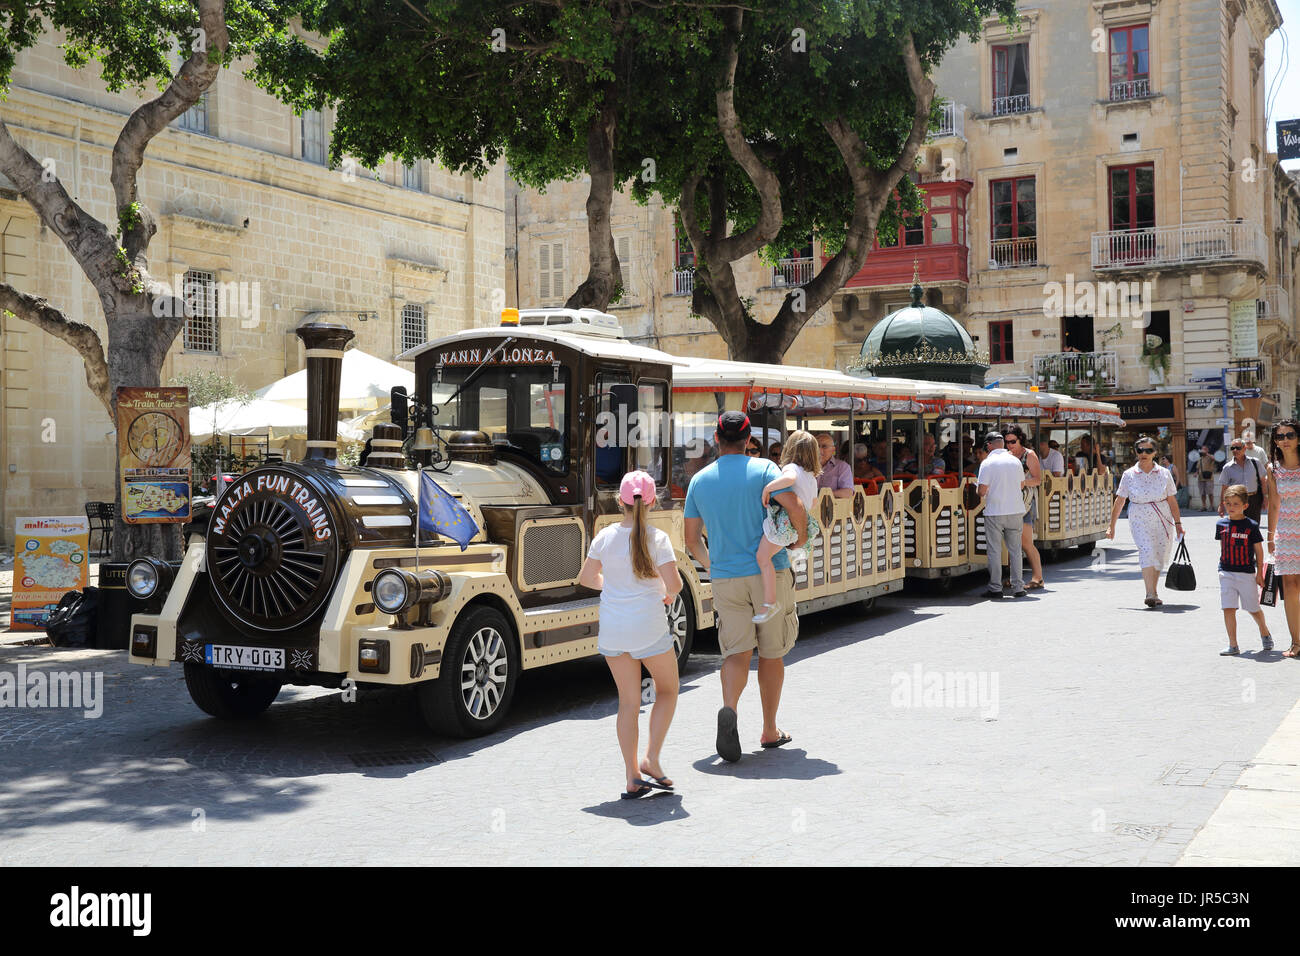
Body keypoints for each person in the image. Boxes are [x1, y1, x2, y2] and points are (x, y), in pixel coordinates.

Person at [684, 411, 807, 761]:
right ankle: (769, 729)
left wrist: (714, 566)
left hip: (726, 577)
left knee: (736, 654)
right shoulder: (766, 470)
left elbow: (691, 539)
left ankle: (729, 708)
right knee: (771, 652)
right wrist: (799, 538)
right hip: (770, 573)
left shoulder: (699, 481)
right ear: (749, 439)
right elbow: (795, 505)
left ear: (716, 440)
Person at [578, 471, 683, 799]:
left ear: (620, 501)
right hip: (648, 628)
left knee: (628, 702)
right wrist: (665, 593)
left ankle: (632, 777)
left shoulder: (605, 537)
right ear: (652, 501)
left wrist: (610, 585)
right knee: (667, 690)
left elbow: (586, 577)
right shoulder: (658, 538)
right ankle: (651, 758)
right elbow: (676, 585)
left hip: (613, 629)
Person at [1108, 436, 1182, 607]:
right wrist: (1111, 526)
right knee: (1147, 550)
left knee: (1160, 554)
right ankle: (1149, 592)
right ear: (1136, 452)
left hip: (1162, 517)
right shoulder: (1128, 475)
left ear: (1155, 453)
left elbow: (1172, 501)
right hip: (1139, 516)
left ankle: (1154, 591)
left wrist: (1178, 524)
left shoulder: (1164, 473)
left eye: (1148, 450)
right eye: (1140, 450)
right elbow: (1119, 501)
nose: (1144, 453)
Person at [755, 430, 821, 623]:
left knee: (762, 557)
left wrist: (769, 487)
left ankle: (770, 600)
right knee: (774, 558)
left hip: (786, 523)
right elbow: (814, 502)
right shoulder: (811, 476)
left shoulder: (791, 467)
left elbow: (789, 479)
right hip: (802, 523)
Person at [1216, 484, 1272, 656]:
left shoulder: (1251, 525)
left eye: (1235, 504)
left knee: (1253, 608)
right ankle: (1233, 645)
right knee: (1228, 608)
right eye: (1228, 503)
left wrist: (1260, 574)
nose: (1231, 507)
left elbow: (1259, 550)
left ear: (1245, 506)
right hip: (1226, 572)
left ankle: (1264, 631)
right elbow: (1223, 546)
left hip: (1247, 573)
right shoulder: (1221, 524)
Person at [977, 431, 1026, 599]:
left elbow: (982, 490)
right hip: (1015, 510)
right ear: (1002, 444)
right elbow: (1021, 485)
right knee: (1015, 551)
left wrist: (979, 490)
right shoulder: (1015, 461)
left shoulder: (987, 463)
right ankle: (1018, 587)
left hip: (995, 511)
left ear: (989, 445)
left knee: (994, 551)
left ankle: (996, 588)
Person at [1266, 419, 1300, 658]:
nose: (1285, 440)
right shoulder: (1273, 468)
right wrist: (1270, 535)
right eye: (1280, 437)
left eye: (1289, 435)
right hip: (1286, 532)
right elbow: (1274, 504)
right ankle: (1296, 642)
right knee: (1289, 587)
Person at [1005, 425, 1045, 589]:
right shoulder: (1006, 455)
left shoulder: (1029, 455)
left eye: (1012, 441)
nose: (1010, 445)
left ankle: (1038, 577)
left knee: (1026, 542)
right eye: (1007, 442)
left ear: (1020, 438)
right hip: (1008, 502)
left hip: (1026, 503)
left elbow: (1038, 480)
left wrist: (1022, 482)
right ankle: (1015, 578)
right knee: (1009, 543)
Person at [1218, 437, 1264, 523]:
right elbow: (1224, 488)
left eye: (1238, 448)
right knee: (1238, 526)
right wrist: (1221, 505)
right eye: (1233, 448)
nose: (1235, 450)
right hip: (1236, 501)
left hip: (1254, 499)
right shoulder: (1227, 468)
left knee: (1254, 526)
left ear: (1244, 448)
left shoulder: (1255, 462)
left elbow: (1263, 481)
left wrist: (1266, 498)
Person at [814, 432, 854, 498]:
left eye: (824, 446)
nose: (819, 450)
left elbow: (848, 492)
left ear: (833, 450)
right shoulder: (806, 466)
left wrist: (824, 494)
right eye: (817, 446)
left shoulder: (842, 467)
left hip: (833, 507)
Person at [1195, 445, 1218, 510]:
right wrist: (1196, 473)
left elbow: (1214, 459)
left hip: (1209, 478)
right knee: (1202, 493)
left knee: (1210, 492)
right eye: (1202, 449)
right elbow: (1198, 468)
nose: (1203, 450)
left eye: (1205, 449)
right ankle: (1204, 506)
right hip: (1201, 478)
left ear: (1207, 450)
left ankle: (1211, 506)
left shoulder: (1210, 457)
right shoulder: (1200, 459)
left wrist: (1206, 453)